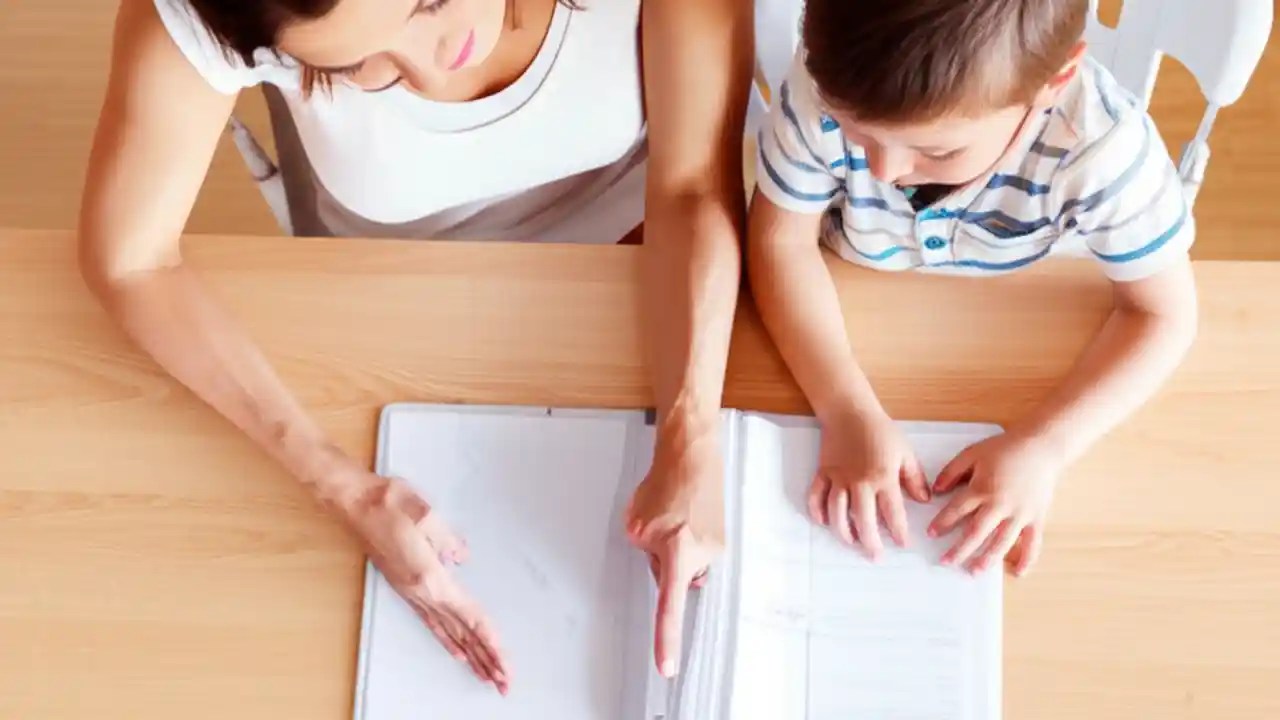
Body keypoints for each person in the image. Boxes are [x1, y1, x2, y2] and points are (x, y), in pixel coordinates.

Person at [79, 0, 749, 693]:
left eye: (429, 3)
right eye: (360, 65)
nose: (429, 69)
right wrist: (343, 485)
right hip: (400, 308)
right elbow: (132, 260)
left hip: (645, 262)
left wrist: (691, 435)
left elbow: (695, 184)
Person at [749, 0, 1197, 576]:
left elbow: (1163, 316)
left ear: (1052, 84)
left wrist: (1046, 447)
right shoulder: (825, 84)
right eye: (858, 135)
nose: (884, 170)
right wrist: (843, 407)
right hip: (855, 289)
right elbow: (780, 243)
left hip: (1010, 311)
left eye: (937, 151)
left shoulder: (1101, 148)